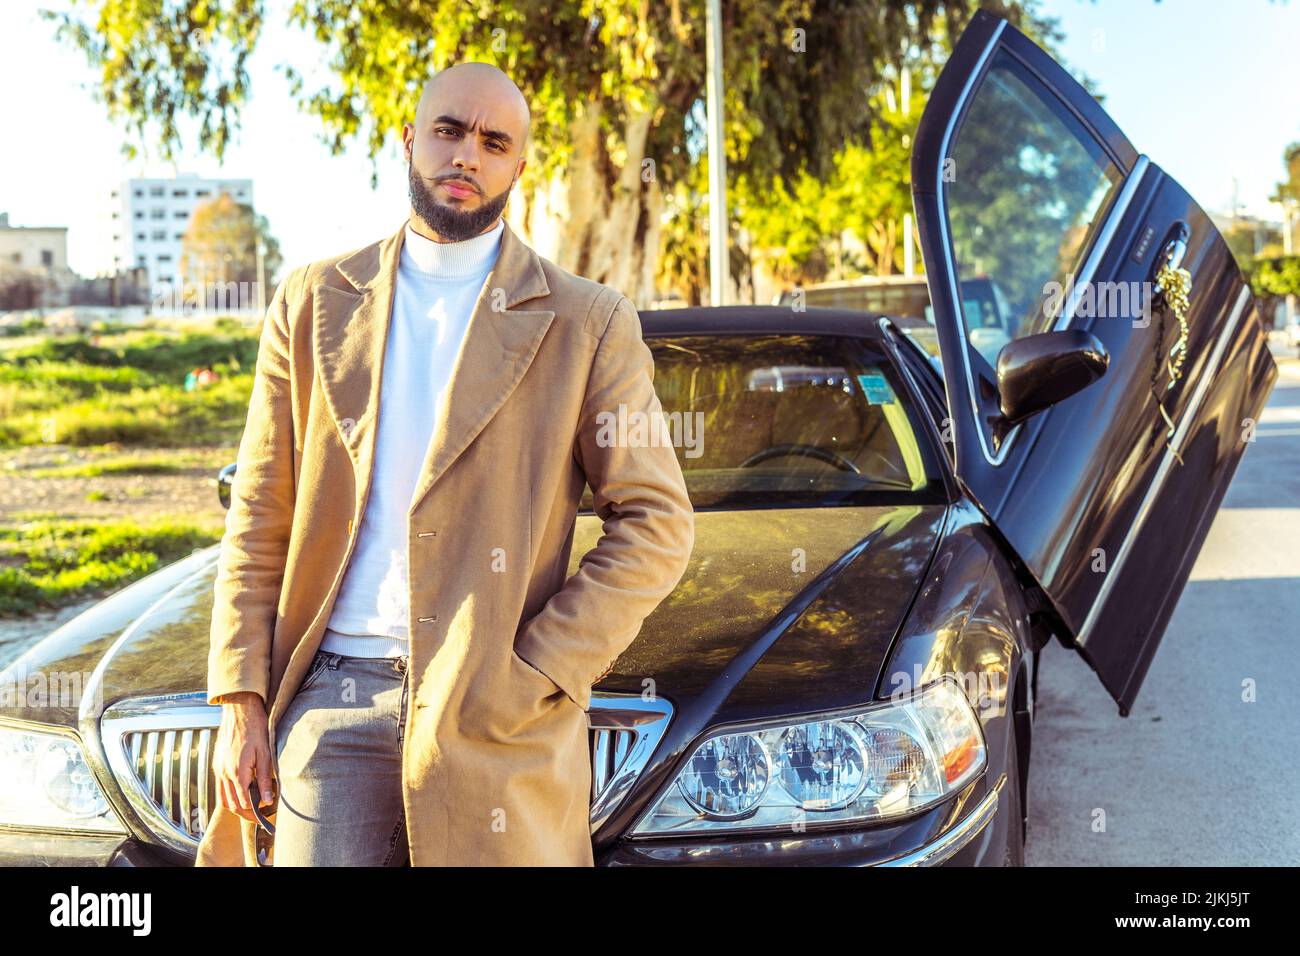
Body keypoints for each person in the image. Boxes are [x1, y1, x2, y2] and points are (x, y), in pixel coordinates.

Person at [195, 62, 694, 866]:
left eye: (495, 142)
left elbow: (658, 523)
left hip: (494, 710)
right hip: (331, 700)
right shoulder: (312, 300)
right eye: (449, 130)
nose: (468, 156)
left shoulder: (587, 322)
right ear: (409, 139)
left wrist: (540, 666)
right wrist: (241, 698)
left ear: (520, 168)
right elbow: (260, 513)